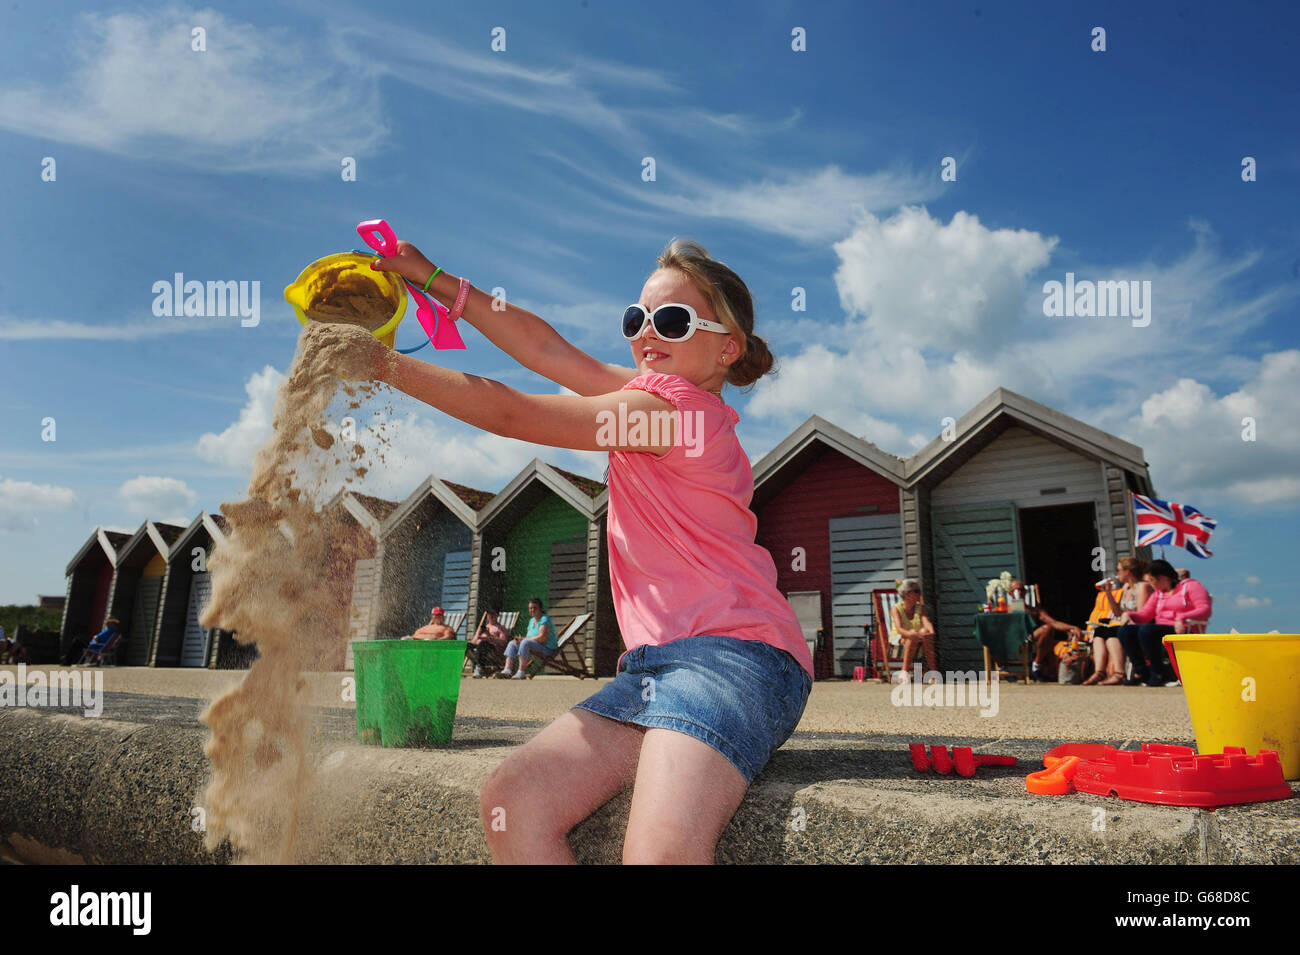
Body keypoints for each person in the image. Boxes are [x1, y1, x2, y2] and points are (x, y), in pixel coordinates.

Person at [364, 236, 812, 864]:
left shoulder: (670, 416)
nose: (647, 333)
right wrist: (430, 275)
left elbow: (514, 413)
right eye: (638, 319)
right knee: (513, 802)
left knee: (661, 853)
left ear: (727, 347)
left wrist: (381, 364)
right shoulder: (654, 398)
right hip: (655, 670)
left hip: (735, 662)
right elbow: (545, 349)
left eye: (673, 321)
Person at [1115, 559, 1211, 686]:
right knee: (1125, 631)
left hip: (1185, 629)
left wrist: (1182, 617)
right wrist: (1129, 614)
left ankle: (1158, 673)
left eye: (1152, 580)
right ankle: (1141, 671)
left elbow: (1205, 609)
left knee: (1147, 631)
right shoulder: (1158, 594)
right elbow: (1145, 615)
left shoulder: (1190, 586)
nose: (1151, 584)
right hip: (1161, 630)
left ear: (1162, 577)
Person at [1084, 558, 1151, 686]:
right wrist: (1108, 593)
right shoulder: (1126, 587)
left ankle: (1119, 673)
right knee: (1099, 632)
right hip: (1125, 624)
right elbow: (1117, 612)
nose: (1117, 573)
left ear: (1128, 572)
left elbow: (1143, 614)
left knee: (1112, 633)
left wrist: (1127, 615)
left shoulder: (1142, 587)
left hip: (1138, 625)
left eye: (1118, 570)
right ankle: (1099, 671)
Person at [1011, 580, 1081, 683]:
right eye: (1015, 590)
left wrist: (1073, 627)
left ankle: (1036, 666)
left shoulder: (1035, 610)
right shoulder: (1004, 609)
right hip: (1013, 641)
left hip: (1030, 639)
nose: (1019, 592)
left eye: (1021, 590)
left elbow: (1054, 623)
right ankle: (1002, 669)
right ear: (1010, 594)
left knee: (1048, 628)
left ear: (1026, 592)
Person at [889, 579, 937, 683]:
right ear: (907, 594)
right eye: (916, 591)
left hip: (917, 637)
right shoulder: (896, 609)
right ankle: (904, 672)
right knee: (912, 636)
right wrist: (911, 634)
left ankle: (933, 674)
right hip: (899, 639)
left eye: (919, 590)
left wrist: (930, 630)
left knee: (926, 635)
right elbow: (899, 629)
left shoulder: (920, 608)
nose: (920, 593)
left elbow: (926, 621)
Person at [501, 598, 554, 680]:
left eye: (535, 608)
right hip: (535, 646)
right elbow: (528, 637)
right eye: (530, 608)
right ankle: (507, 670)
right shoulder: (531, 620)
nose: (532, 610)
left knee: (525, 643)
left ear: (541, 608)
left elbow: (542, 638)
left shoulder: (544, 619)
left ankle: (521, 672)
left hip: (547, 649)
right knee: (512, 643)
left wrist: (524, 640)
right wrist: (521, 640)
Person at [469, 609, 510, 677]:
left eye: (493, 614)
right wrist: (478, 635)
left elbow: (503, 643)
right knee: (466, 646)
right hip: (479, 649)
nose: (490, 616)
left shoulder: (501, 628)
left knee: (483, 643)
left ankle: (479, 667)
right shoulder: (483, 628)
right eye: (489, 614)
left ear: (497, 615)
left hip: (492, 651)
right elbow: (473, 642)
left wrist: (490, 636)